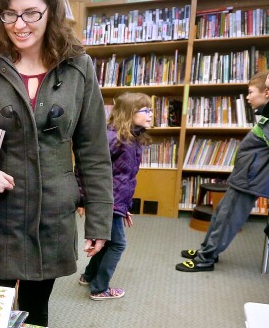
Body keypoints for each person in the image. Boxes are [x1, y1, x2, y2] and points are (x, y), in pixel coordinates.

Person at [0, 0, 114, 326]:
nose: (20, 24)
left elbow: (94, 150)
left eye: (31, 13)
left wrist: (99, 219)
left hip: (51, 216)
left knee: (37, 313)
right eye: (10, 14)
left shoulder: (78, 67)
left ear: (51, 11)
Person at [176, 70, 269, 272]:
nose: (248, 96)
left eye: (251, 91)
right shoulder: (264, 115)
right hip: (244, 177)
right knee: (221, 215)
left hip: (250, 181)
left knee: (228, 219)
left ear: (267, 93)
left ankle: (205, 259)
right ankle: (207, 250)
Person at [78, 92, 153, 300]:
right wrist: (83, 199)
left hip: (116, 201)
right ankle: (99, 289)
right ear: (128, 113)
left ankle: (88, 275)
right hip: (105, 201)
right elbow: (86, 167)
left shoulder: (133, 138)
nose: (150, 114)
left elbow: (125, 179)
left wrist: (125, 207)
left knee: (108, 240)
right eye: (145, 110)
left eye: (151, 110)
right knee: (118, 244)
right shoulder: (114, 139)